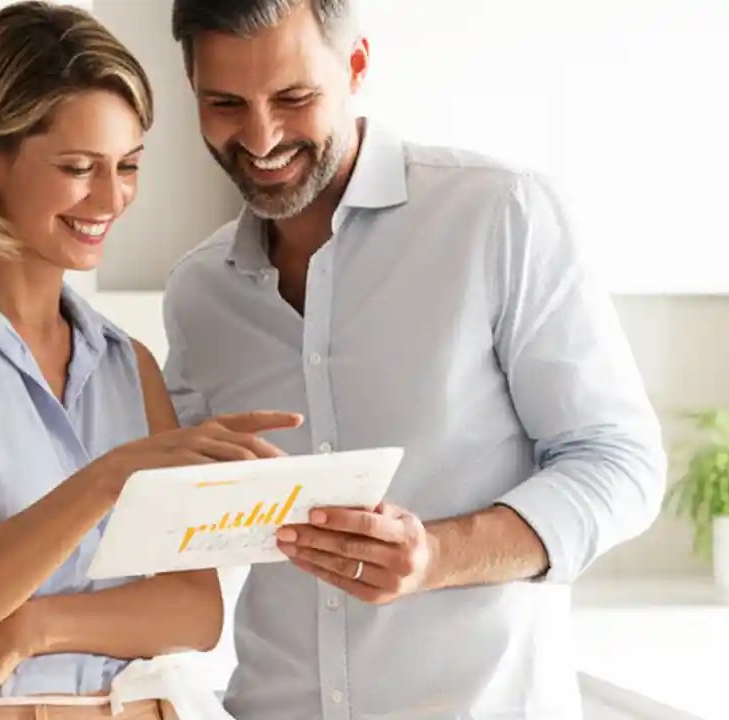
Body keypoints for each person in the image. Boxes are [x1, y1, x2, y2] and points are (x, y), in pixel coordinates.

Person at [162, 1, 668, 718]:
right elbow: (179, 522)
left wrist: (434, 555)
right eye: (224, 104)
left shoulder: (498, 215)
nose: (261, 136)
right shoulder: (198, 293)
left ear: (356, 67)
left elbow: (620, 462)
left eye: (294, 97)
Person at [0, 4, 301, 720]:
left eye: (128, 166)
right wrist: (108, 478)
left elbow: (194, 610)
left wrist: (29, 629)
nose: (111, 198)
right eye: (78, 168)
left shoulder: (128, 364)